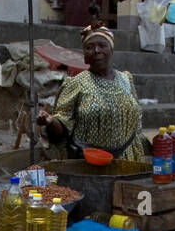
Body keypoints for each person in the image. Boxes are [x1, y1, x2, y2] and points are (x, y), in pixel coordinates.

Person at [37, 23, 145, 161]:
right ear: (85, 56)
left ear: (111, 50)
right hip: (89, 162)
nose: (96, 50)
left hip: (126, 160)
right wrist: (51, 122)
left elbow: (137, 124)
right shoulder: (75, 84)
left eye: (102, 45)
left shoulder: (126, 80)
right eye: (89, 47)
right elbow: (63, 128)